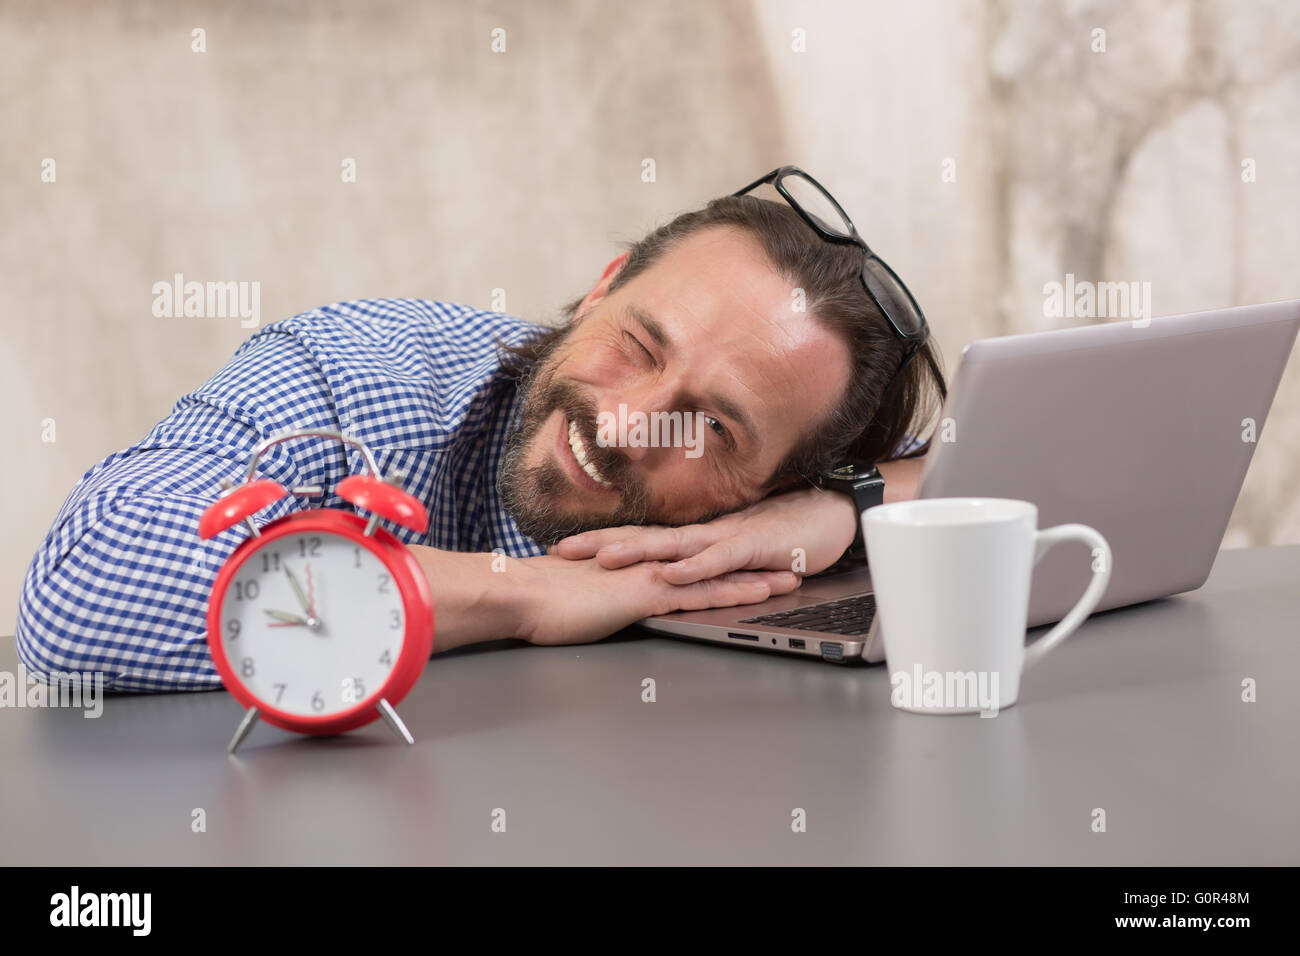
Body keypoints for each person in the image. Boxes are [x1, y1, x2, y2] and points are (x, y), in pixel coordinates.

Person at [15, 168, 947, 691]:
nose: (624, 424)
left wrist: (844, 504)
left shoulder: (813, 485)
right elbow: (87, 584)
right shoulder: (356, 370)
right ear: (603, 284)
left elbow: (1051, 468)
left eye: (711, 427)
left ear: (782, 477)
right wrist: (524, 593)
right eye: (637, 343)